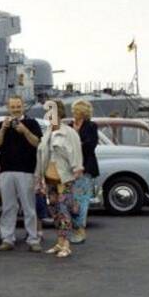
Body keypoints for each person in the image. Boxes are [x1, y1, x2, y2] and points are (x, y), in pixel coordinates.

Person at [0, 95, 42, 251]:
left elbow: (38, 144)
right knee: (8, 206)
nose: (15, 109)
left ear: (23, 106)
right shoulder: (2, 124)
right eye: (12, 107)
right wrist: (3, 129)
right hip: (6, 170)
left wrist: (24, 130)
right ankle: (7, 239)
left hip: (26, 170)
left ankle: (33, 240)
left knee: (29, 207)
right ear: (8, 108)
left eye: (18, 106)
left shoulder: (32, 123)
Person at [34, 100, 84, 259]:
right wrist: (39, 177)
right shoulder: (47, 131)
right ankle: (59, 241)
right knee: (55, 211)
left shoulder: (69, 132)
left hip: (64, 176)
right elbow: (41, 155)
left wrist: (77, 169)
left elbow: (76, 152)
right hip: (49, 175)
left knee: (64, 211)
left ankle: (67, 244)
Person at [70, 99, 100, 244]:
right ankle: (74, 229)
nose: (73, 114)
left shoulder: (91, 126)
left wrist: (76, 137)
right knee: (71, 201)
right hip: (70, 168)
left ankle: (80, 230)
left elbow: (90, 146)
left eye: (76, 111)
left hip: (85, 167)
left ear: (83, 112)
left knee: (81, 201)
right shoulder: (69, 126)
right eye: (73, 111)